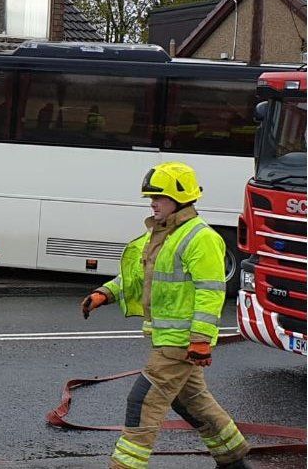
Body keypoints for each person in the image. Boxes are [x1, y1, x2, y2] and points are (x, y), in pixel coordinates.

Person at [81, 162, 251, 469]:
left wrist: (200, 339)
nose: (152, 203)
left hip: (181, 342)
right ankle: (233, 458)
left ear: (180, 198)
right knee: (191, 401)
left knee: (143, 401)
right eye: (151, 197)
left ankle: (125, 466)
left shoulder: (200, 237)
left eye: (158, 197)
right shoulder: (163, 235)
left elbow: (210, 291)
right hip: (168, 338)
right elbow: (140, 276)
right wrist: (106, 293)